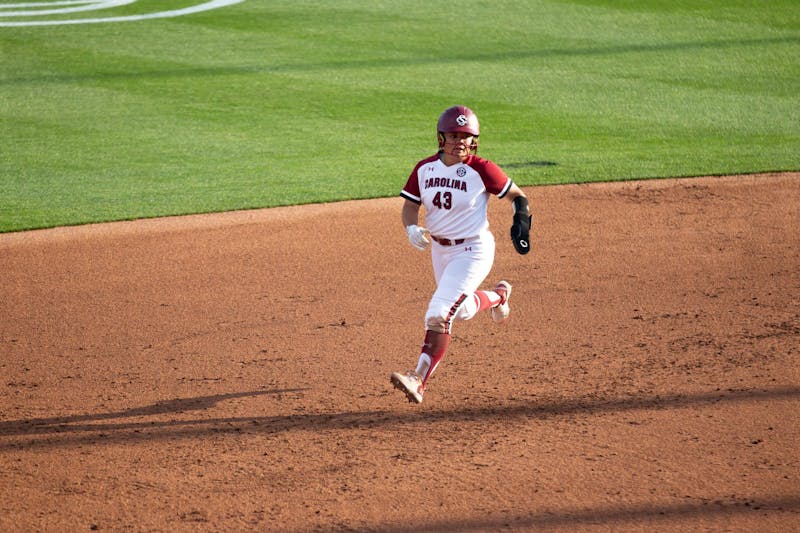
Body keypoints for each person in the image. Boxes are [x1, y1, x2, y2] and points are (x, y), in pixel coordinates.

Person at [390, 105, 531, 404]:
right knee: (462, 309)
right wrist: (411, 227)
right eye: (454, 135)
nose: (460, 142)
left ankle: (418, 380)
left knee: (439, 313)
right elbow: (410, 205)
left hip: (473, 250)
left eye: (466, 136)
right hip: (440, 251)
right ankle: (499, 296)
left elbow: (518, 196)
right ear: (442, 138)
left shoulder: (482, 169)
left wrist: (521, 221)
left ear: (474, 139)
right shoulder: (425, 168)